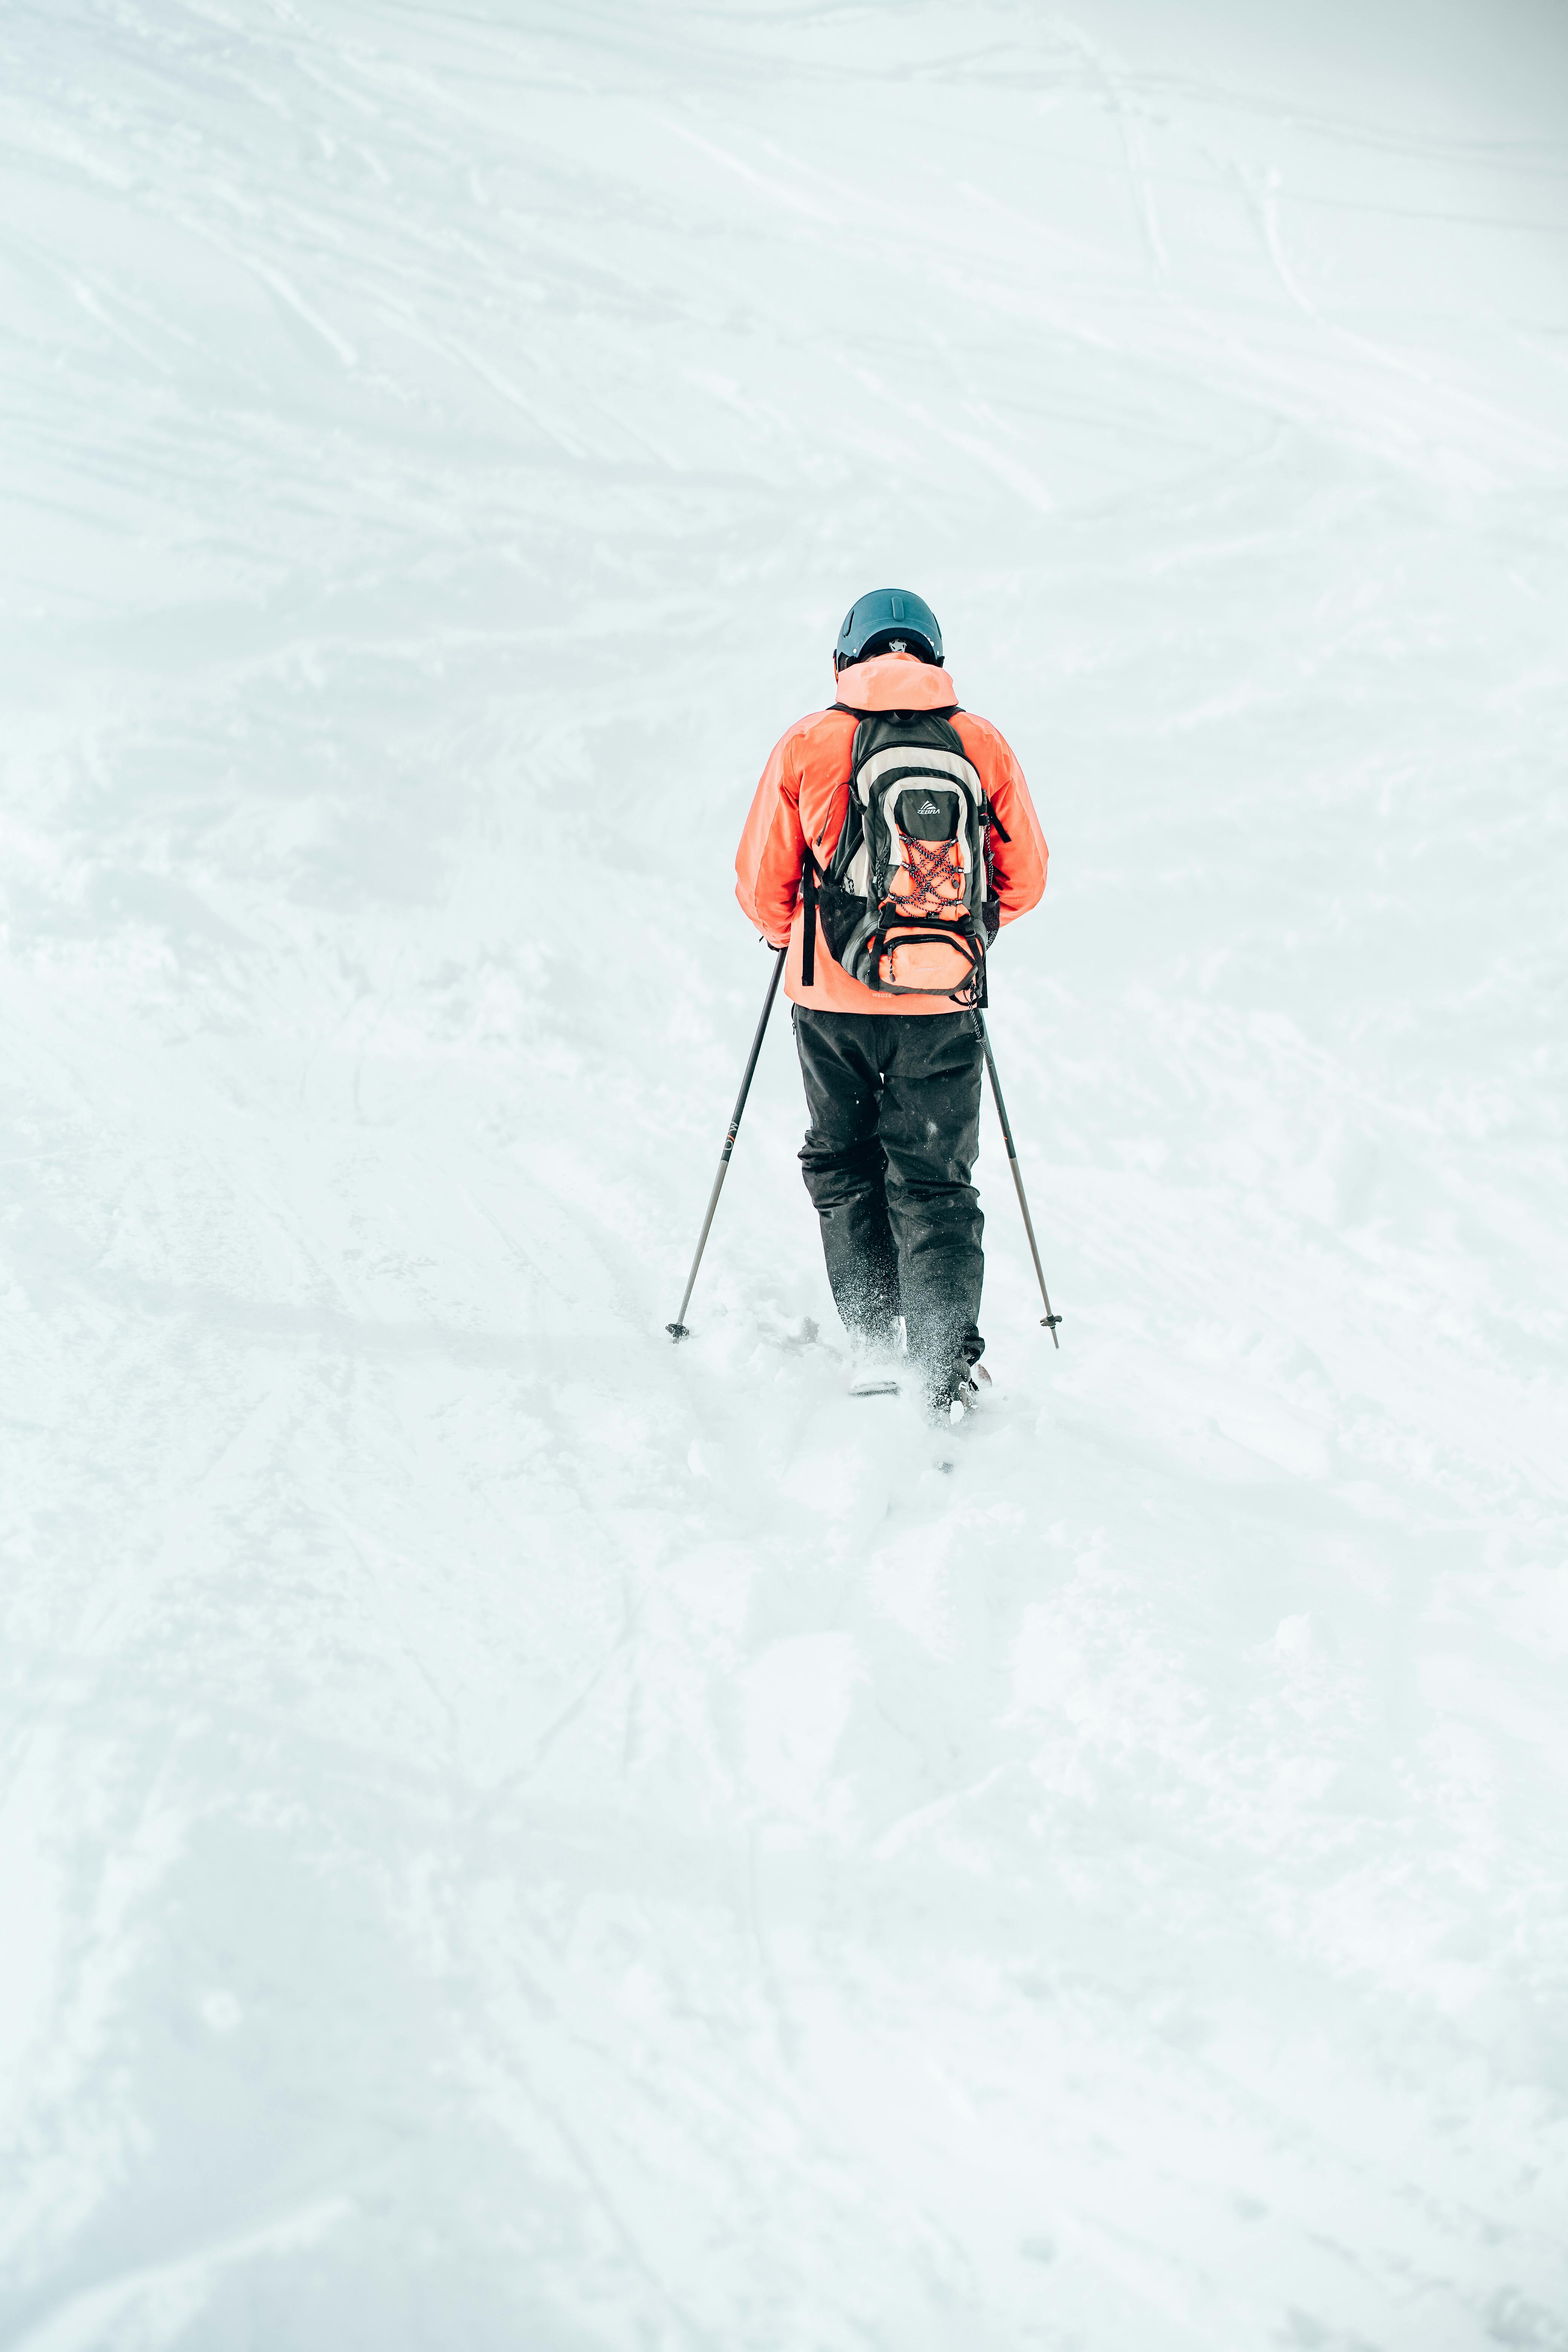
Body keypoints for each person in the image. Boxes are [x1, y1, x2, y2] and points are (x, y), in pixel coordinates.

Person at [735, 588, 1047, 1414]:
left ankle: (872, 1341)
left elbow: (762, 886)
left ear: (847, 660)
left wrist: (790, 934)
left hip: (829, 1002)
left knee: (844, 1160)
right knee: (936, 1179)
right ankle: (943, 1365)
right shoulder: (980, 743)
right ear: (932, 660)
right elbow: (1028, 879)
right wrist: (960, 932)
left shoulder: (809, 742)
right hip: (943, 1000)